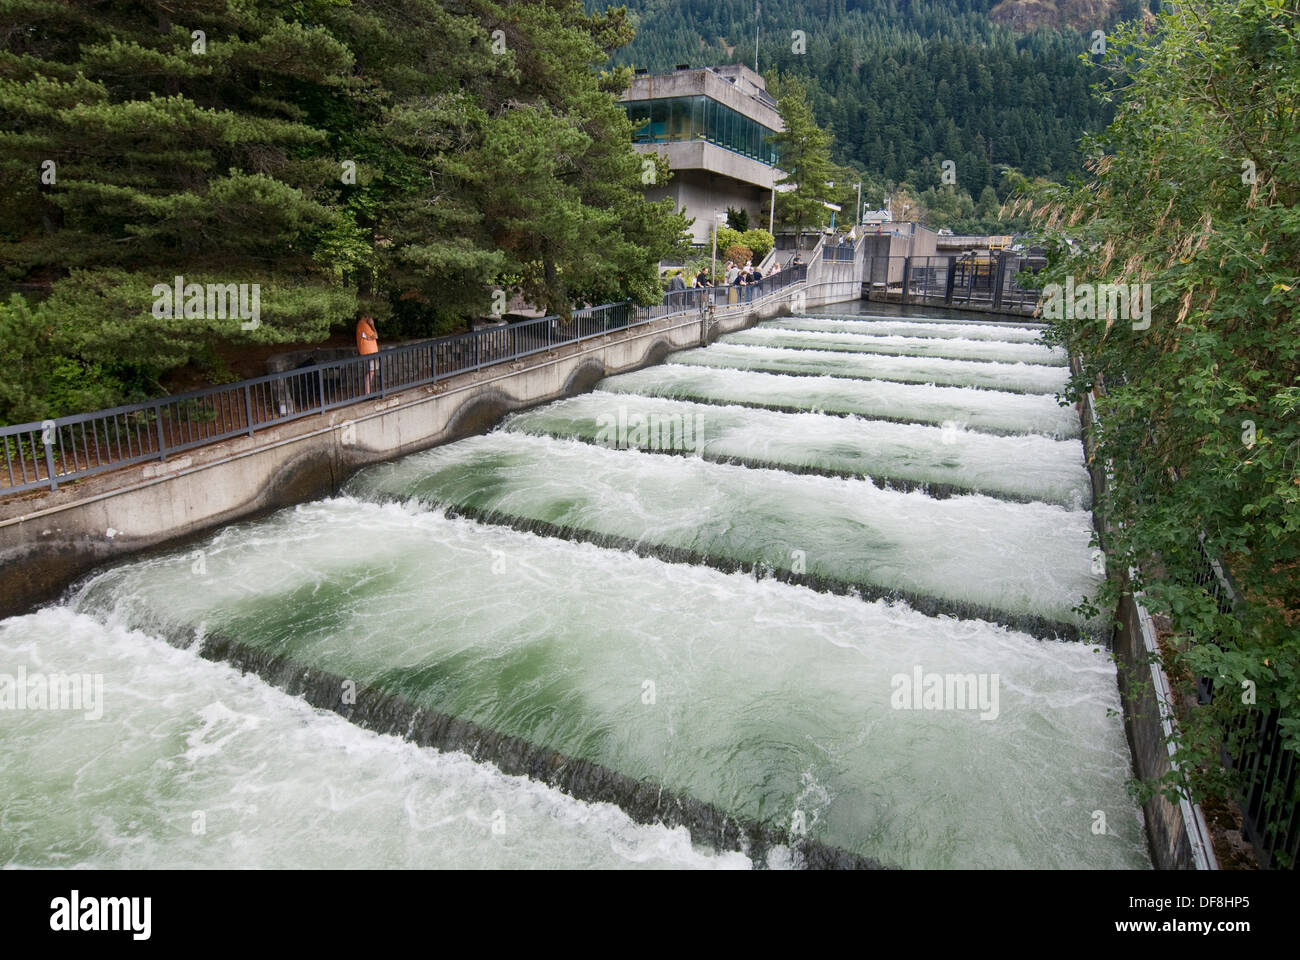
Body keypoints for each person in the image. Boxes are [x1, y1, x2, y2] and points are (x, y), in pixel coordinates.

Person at [355, 315, 379, 393]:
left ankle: (368, 392)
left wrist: (371, 337)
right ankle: (367, 392)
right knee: (371, 371)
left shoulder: (363, 324)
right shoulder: (363, 324)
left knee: (371, 371)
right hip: (369, 352)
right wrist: (372, 324)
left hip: (370, 351)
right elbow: (375, 335)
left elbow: (373, 336)